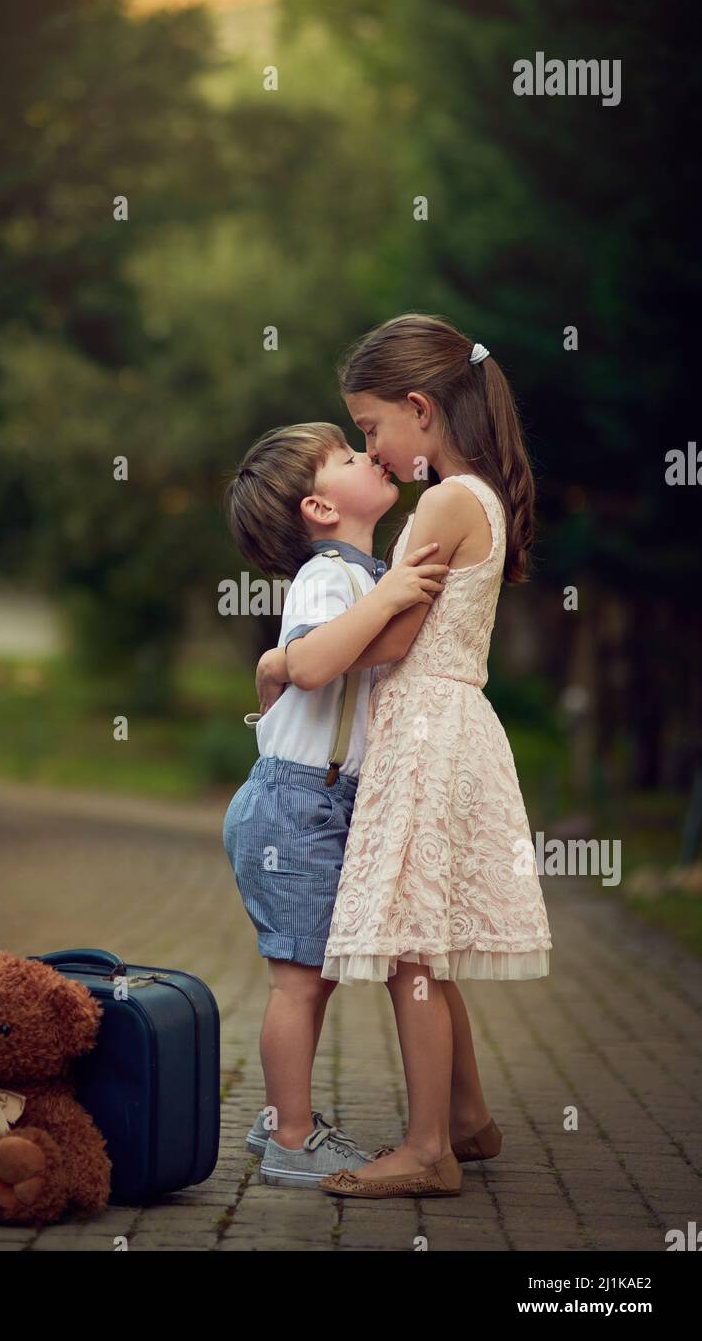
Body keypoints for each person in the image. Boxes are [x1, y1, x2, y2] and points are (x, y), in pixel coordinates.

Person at [255, 314, 552, 1199]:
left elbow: (388, 645)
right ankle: (463, 1117)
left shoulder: (443, 502)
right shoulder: (477, 496)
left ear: (419, 407)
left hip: (423, 729)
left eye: (373, 428)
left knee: (410, 957)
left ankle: (428, 1150)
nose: (375, 451)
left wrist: (286, 659)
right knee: (426, 945)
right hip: (451, 724)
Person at [221, 421, 448, 1186]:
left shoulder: (360, 571)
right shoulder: (328, 575)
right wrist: (387, 593)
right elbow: (314, 665)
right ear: (318, 509)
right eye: (348, 457)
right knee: (299, 979)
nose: (367, 453)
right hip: (293, 804)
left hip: (320, 800)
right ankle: (290, 1135)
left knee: (309, 973)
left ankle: (281, 1119)